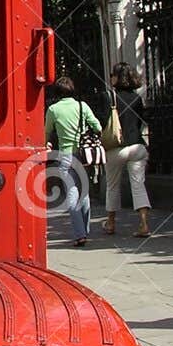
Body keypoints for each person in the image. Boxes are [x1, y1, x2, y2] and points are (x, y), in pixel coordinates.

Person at [45, 74, 102, 247]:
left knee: (71, 193)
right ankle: (84, 230)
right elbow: (97, 127)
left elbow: (46, 132)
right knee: (83, 193)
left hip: (65, 156)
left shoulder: (53, 110)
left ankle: (79, 234)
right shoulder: (82, 106)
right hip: (84, 155)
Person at [103, 63, 152, 239]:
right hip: (137, 146)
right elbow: (140, 123)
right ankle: (144, 224)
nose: (110, 77)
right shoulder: (137, 98)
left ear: (117, 77)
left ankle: (110, 223)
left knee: (112, 186)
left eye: (112, 74)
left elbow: (103, 122)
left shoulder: (109, 97)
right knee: (138, 185)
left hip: (117, 147)